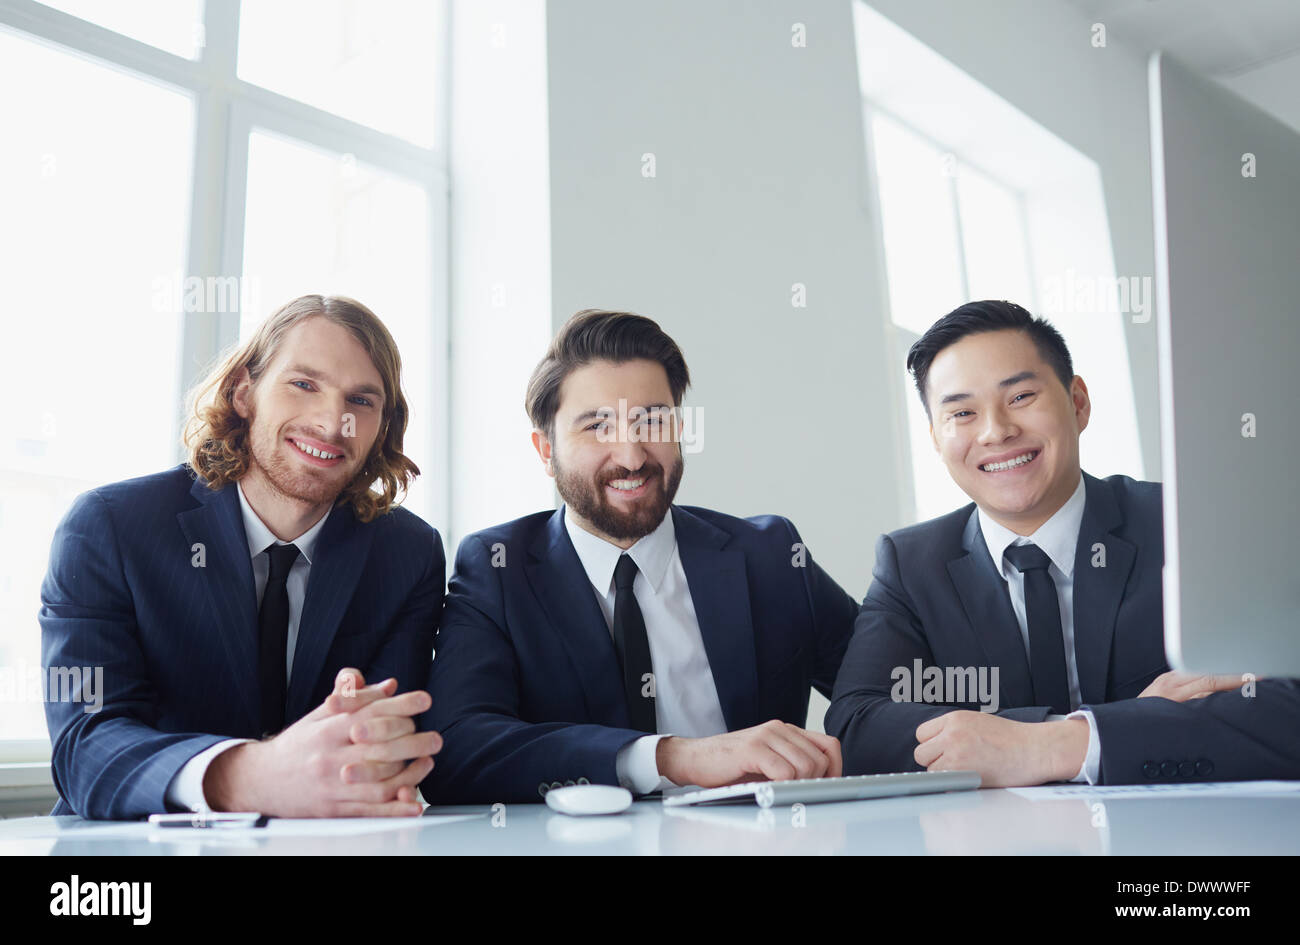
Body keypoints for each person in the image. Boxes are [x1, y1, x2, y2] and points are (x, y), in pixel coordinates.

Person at [827, 299, 1300, 785]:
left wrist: (1068, 743)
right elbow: (858, 725)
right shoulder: (911, 563)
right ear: (935, 438)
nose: (996, 431)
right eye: (963, 412)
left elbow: (1284, 702)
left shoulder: (1189, 526)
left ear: (1078, 402)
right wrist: (1056, 733)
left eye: (1020, 397)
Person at [421, 309, 858, 803]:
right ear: (546, 451)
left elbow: (884, 693)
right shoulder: (497, 568)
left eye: (652, 420)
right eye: (597, 426)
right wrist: (671, 758)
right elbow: (454, 750)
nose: (631, 456)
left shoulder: (770, 555)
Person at [40, 295, 443, 819]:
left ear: (383, 427)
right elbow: (84, 747)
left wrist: (373, 735)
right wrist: (251, 774)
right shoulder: (108, 528)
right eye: (304, 385)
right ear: (243, 392)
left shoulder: (408, 553)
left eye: (361, 401)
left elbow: (388, 751)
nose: (331, 421)